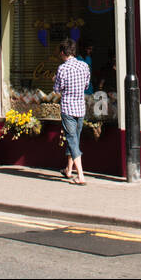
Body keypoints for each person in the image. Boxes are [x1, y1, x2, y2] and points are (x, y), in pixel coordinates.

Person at [53, 38, 90, 185]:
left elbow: (57, 90)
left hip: (68, 107)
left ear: (63, 53)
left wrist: (54, 79)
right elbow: (86, 86)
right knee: (74, 138)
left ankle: (80, 175)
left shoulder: (62, 69)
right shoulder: (84, 66)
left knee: (72, 140)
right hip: (80, 107)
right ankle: (69, 170)